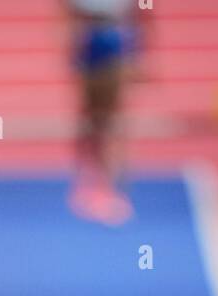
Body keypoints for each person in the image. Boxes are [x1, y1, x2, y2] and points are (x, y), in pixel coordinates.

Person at [64, 0, 147, 224]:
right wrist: (72, 54)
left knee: (113, 122)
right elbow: (68, 16)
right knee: (89, 122)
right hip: (89, 52)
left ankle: (116, 183)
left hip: (114, 54)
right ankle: (87, 179)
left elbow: (141, 16)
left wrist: (139, 56)